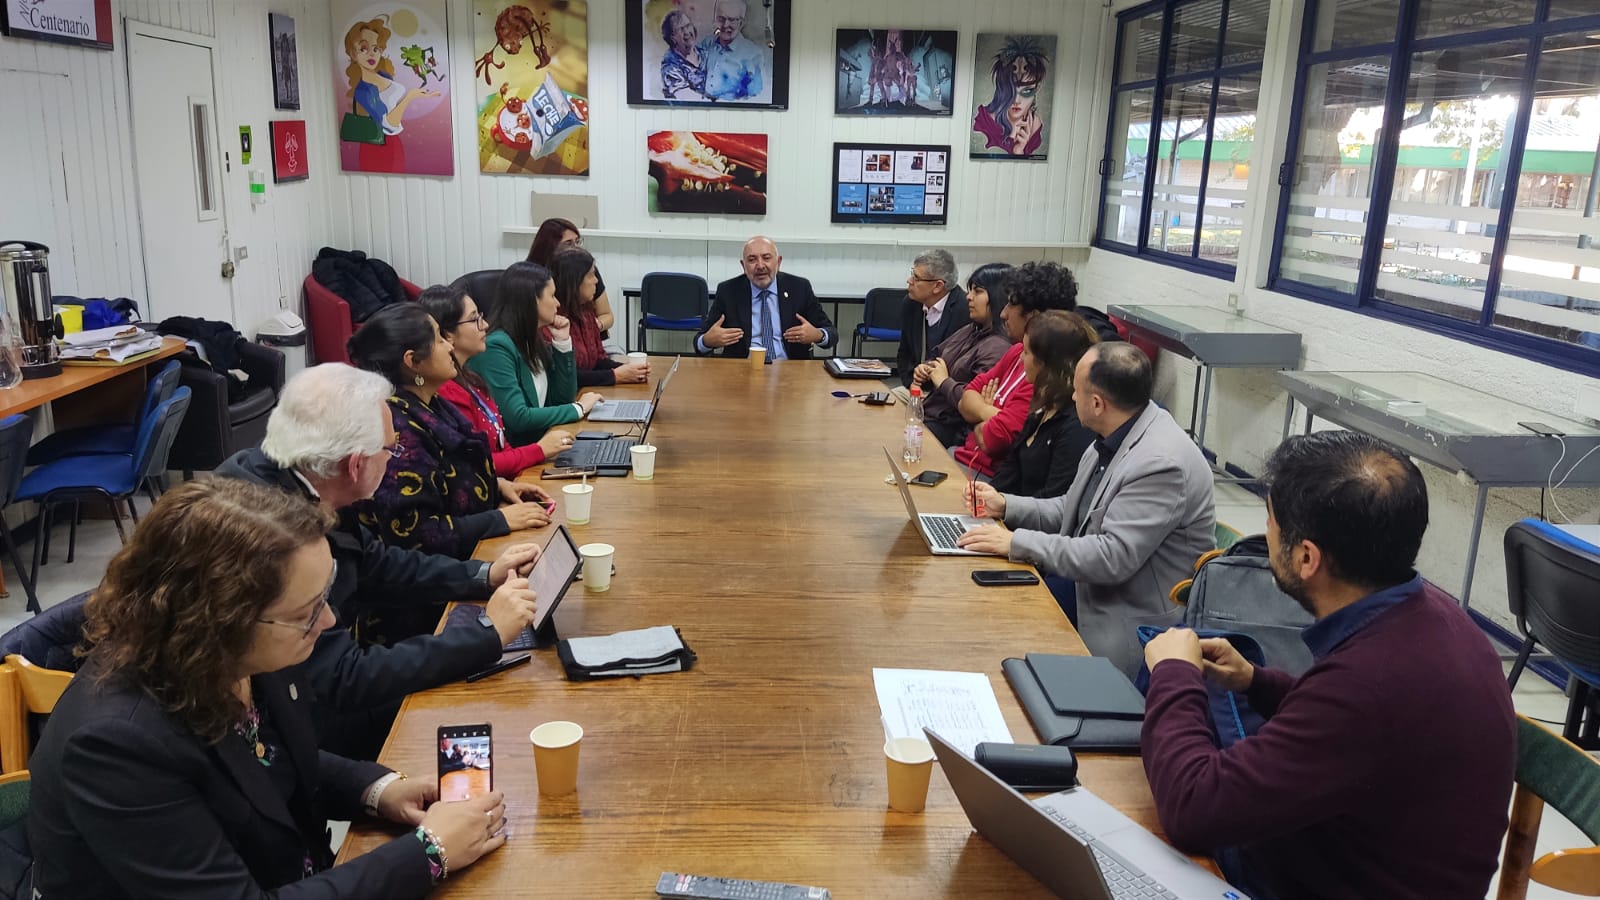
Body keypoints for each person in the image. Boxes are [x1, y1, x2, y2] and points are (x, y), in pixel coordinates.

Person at [28, 479, 508, 897]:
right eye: (306, 613)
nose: (329, 619)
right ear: (219, 619)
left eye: (324, 597)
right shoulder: (116, 745)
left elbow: (264, 758)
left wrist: (376, 789)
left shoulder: (241, 652)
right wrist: (429, 853)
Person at [1139, 432, 1516, 899]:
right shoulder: (1435, 615)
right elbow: (1355, 732)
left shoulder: (1368, 686)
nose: (1267, 533)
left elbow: (1193, 810)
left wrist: (1174, 674)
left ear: (1306, 557)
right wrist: (1257, 682)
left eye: (1271, 522)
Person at [217, 364, 545, 759]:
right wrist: (486, 636)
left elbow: (377, 563)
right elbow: (342, 676)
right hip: (295, 730)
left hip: (310, 698)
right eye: (391, 450)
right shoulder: (273, 536)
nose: (395, 460)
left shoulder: (299, 475)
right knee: (487, 715)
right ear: (356, 464)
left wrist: (483, 574)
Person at [959, 343, 1214, 675]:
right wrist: (1006, 505)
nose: (1072, 399)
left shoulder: (1160, 464)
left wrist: (1016, 543)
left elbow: (1111, 557)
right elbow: (1074, 510)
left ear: (1097, 403)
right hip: (1089, 588)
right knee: (989, 610)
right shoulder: (1117, 431)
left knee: (1005, 637)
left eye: (1077, 392)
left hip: (1126, 616)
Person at [347, 302, 554, 559]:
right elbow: (420, 535)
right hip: (443, 578)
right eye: (438, 340)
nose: (450, 346)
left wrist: (496, 487)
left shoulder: (431, 403)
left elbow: (450, 479)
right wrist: (498, 519)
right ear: (413, 361)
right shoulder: (398, 430)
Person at [417, 283, 575, 477]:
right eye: (474, 319)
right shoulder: (446, 393)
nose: (485, 325)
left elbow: (500, 442)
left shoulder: (472, 380)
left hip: (505, 481)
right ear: (448, 334)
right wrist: (539, 450)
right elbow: (475, 463)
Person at [952, 261, 1083, 477]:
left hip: (986, 477)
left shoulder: (1044, 374)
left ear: (1034, 317)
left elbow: (993, 440)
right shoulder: (1017, 351)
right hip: (963, 456)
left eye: (1011, 305)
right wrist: (991, 413)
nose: (1003, 314)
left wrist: (981, 414)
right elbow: (964, 400)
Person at [467, 261, 603, 446]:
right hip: (519, 455)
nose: (558, 303)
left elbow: (561, 399)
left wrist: (563, 344)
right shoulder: (496, 347)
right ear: (533, 300)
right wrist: (578, 408)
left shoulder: (533, 339)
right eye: (552, 295)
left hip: (544, 443)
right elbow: (518, 417)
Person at [989, 311, 1100, 499]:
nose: (1021, 358)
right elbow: (1010, 470)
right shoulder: (1044, 402)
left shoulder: (1076, 425)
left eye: (1026, 352)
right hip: (1007, 514)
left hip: (1028, 523)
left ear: (1046, 363)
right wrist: (984, 498)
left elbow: (1053, 501)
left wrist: (1004, 509)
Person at [911, 262, 1013, 448]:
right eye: (970, 290)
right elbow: (939, 358)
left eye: (978, 291)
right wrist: (926, 370)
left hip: (951, 427)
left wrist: (943, 382)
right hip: (932, 412)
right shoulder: (971, 329)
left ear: (998, 297)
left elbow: (976, 404)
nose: (969, 297)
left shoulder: (998, 347)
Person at [695, 236, 836, 360]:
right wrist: (707, 341)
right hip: (742, 370)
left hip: (790, 368)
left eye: (766, 258)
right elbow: (699, 341)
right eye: (752, 260)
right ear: (743, 266)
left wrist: (818, 335)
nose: (760, 266)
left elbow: (832, 334)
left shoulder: (799, 288)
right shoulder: (728, 291)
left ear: (778, 262)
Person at [550, 247, 649, 387]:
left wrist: (630, 369)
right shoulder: (554, 320)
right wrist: (615, 375)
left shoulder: (586, 310)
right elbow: (567, 377)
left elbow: (597, 361)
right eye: (590, 275)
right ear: (574, 281)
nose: (596, 280)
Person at [527, 218, 616, 338]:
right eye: (568, 243)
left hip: (586, 341)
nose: (576, 247)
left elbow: (606, 314)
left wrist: (595, 326)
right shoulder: (533, 278)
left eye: (578, 241)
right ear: (550, 246)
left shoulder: (587, 272)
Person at [895, 249, 969, 389]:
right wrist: (911, 385)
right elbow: (904, 354)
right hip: (916, 389)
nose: (909, 281)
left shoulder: (964, 310)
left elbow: (962, 369)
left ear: (938, 286)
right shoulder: (911, 304)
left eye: (916, 278)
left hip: (947, 395)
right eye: (912, 274)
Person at [973, 36, 1048, 158]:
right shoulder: (985, 121)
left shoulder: (1034, 125)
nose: (1016, 101)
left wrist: (1019, 151)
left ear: (1036, 89)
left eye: (1027, 91)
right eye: (1010, 90)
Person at [699, 0, 765, 102]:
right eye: (721, 19)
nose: (725, 25)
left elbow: (757, 95)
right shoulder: (707, 43)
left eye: (732, 20)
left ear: (741, 23)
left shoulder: (754, 54)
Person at [660, 9, 706, 100]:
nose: (687, 32)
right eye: (681, 29)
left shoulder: (705, 53)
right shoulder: (670, 66)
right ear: (673, 38)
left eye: (688, 26)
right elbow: (688, 98)